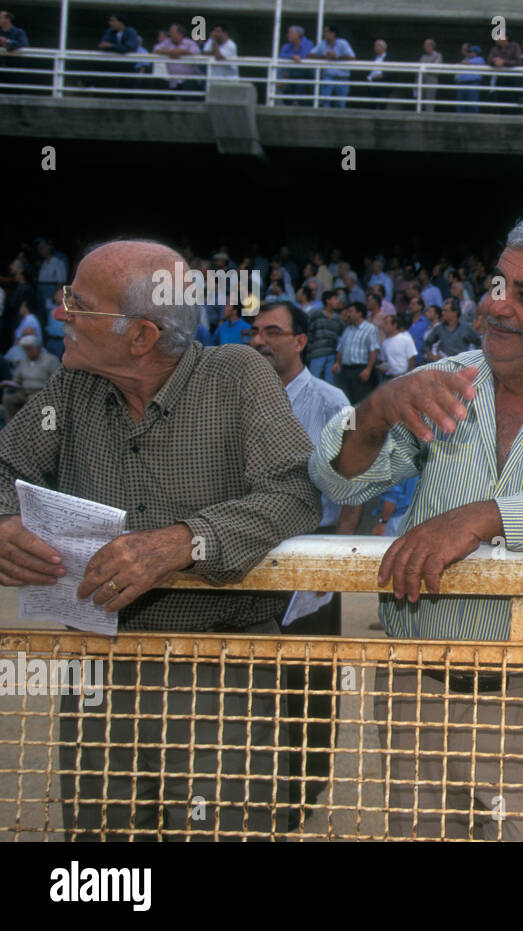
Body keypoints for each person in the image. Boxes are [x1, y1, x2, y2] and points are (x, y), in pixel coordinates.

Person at [307, 220, 523, 840]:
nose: (497, 306)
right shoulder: (444, 380)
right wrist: (376, 410)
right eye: (497, 284)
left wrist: (481, 517)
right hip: (419, 687)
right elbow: (342, 482)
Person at [0, 240, 321, 839]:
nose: (59, 312)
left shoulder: (236, 374)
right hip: (97, 669)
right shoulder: (73, 388)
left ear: (141, 336)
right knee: (103, 846)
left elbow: (294, 494)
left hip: (218, 673)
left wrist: (184, 542)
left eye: (78, 303)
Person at [247, 300, 359, 813]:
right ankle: (260, 789)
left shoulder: (331, 402)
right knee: (256, 680)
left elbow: (358, 483)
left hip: (314, 555)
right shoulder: (239, 398)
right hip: (250, 556)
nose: (259, 341)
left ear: (299, 342)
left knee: (310, 684)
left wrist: (333, 559)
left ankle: (303, 792)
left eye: (272, 332)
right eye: (254, 331)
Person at [1, 333, 58, 421]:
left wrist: (43, 391)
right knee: (8, 399)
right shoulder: (23, 362)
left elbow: (56, 380)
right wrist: (8, 384)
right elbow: (17, 379)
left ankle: (30, 430)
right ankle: (11, 426)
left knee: (32, 400)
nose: (27, 352)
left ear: (38, 348)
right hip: (24, 391)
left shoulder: (51, 360)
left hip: (41, 392)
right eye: (25, 350)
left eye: (29, 349)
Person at [332, 300, 380, 404]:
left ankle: (360, 421)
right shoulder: (348, 329)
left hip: (360, 369)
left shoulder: (370, 329)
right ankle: (350, 421)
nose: (347, 314)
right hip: (345, 370)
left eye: (350, 311)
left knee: (360, 401)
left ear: (359, 313)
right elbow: (341, 348)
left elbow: (374, 350)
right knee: (345, 400)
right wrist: (337, 362)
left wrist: (368, 369)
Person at [309, 24, 356, 108]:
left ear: (333, 33)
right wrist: (324, 57)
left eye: (327, 32)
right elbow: (310, 55)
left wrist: (336, 56)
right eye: (324, 32)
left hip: (342, 77)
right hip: (328, 76)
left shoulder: (343, 43)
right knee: (324, 100)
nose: (324, 34)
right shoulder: (322, 44)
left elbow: (352, 58)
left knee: (340, 103)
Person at [305, 287, 344, 384]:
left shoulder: (338, 318)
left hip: (331, 354)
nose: (338, 301)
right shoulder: (315, 314)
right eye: (335, 299)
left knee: (329, 382)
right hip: (317, 353)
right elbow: (307, 330)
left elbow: (341, 336)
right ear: (328, 300)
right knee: (313, 380)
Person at [277, 25, 314, 104]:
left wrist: (296, 57)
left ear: (298, 35)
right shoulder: (288, 45)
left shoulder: (308, 43)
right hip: (291, 75)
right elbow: (281, 55)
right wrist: (292, 56)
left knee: (300, 87)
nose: (288, 35)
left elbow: (305, 56)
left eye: (290, 33)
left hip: (305, 75)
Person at [378, 311, 418, 380]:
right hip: (389, 378)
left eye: (386, 323)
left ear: (394, 325)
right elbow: (383, 361)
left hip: (404, 377)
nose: (383, 326)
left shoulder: (406, 339)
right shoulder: (385, 342)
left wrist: (408, 378)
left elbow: (412, 360)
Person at [417, 38, 442, 111]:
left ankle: (429, 119)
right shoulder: (423, 57)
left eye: (426, 45)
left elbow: (436, 68)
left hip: (431, 80)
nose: (424, 46)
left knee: (429, 100)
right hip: (421, 80)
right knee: (420, 99)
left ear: (431, 46)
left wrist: (425, 67)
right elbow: (418, 69)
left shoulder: (438, 55)